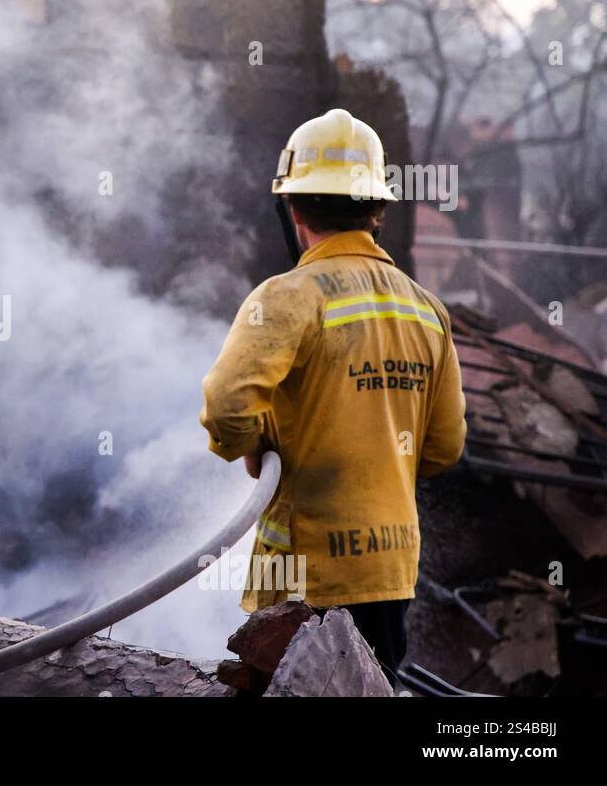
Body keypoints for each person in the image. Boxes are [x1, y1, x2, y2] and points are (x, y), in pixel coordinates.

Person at [199, 108, 466, 683]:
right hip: (390, 570)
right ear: (378, 210)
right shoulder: (427, 310)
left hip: (302, 576)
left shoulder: (289, 296)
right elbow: (443, 449)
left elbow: (226, 406)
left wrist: (255, 443)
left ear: (293, 210)